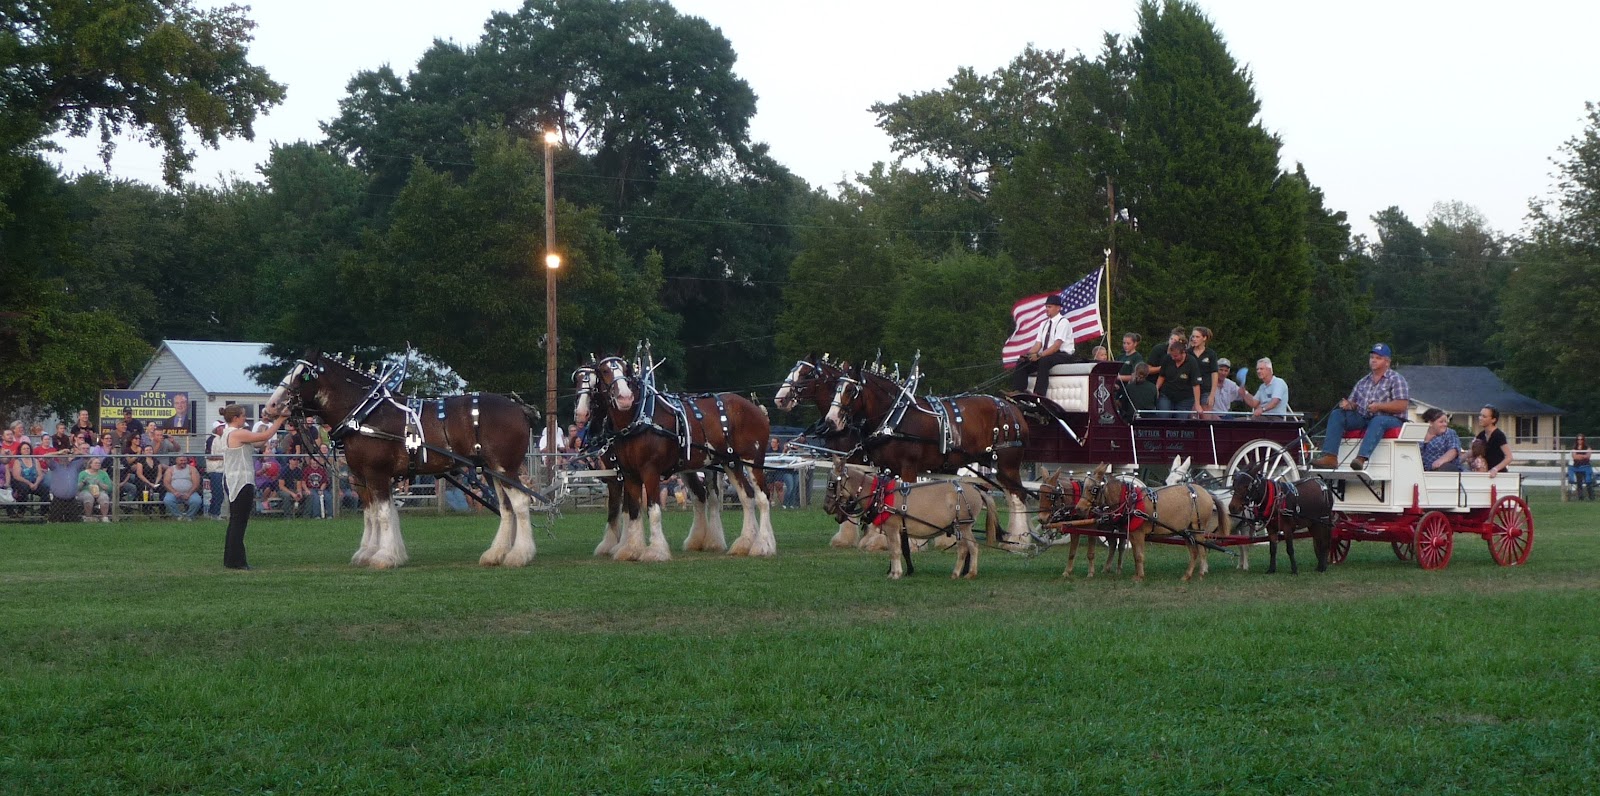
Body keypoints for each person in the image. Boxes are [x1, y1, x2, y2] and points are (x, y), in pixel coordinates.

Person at [1312, 343, 1410, 471]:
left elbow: (1402, 405)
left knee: (1378, 420)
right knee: (1337, 414)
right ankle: (1330, 457)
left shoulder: (1396, 379)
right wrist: (1348, 405)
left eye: (1378, 358)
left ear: (1387, 362)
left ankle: (1361, 458)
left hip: (1391, 419)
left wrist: (1379, 406)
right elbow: (1354, 403)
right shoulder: (1363, 382)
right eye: (1372, 357)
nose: (1373, 360)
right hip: (1364, 417)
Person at [219, 404, 288, 570]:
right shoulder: (237, 433)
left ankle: (230, 558)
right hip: (241, 481)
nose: (245, 418)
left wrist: (270, 423)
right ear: (235, 418)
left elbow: (260, 441)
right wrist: (280, 420)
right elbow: (266, 434)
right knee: (239, 522)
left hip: (235, 479)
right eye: (243, 416)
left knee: (236, 521)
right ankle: (237, 561)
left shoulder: (229, 433)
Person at [1010, 294, 1078, 394]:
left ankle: (1039, 393)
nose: (1047, 309)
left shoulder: (1063, 322)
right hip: (1048, 354)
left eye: (1049, 307)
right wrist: (1028, 355)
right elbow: (1038, 344)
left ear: (1058, 308)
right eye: (1046, 307)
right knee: (1022, 362)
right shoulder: (1044, 324)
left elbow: (1056, 346)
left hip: (1063, 355)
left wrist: (1039, 355)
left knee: (1044, 361)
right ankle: (1019, 391)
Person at [1154, 341, 1202, 418]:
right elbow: (1162, 376)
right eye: (1172, 355)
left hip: (1185, 398)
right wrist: (1156, 388)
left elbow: (1196, 384)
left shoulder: (1192, 362)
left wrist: (1197, 404)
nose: (1173, 358)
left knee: (1181, 420)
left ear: (1183, 353)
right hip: (1167, 394)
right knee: (1163, 415)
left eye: (1175, 356)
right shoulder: (1167, 359)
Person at [45, 443, 89, 522]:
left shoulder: (75, 465)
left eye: (66, 456)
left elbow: (88, 457)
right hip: (58, 500)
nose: (65, 457)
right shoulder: (55, 465)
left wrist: (78, 452)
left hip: (71, 500)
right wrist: (59, 452)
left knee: (74, 523)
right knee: (54, 522)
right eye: (63, 456)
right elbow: (45, 456)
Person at [1188, 327, 1220, 415]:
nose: (1194, 339)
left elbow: (1214, 374)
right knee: (1191, 416)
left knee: (1205, 416)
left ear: (1204, 338)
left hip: (1206, 389)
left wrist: (1212, 394)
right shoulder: (1187, 353)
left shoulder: (1211, 354)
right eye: (1193, 337)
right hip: (1189, 390)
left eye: (1197, 337)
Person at [1475, 405, 1512, 479]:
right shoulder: (1481, 435)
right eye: (1480, 415)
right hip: (1486, 475)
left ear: (1493, 420)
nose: (1480, 418)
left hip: (1499, 476)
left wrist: (1495, 469)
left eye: (1484, 416)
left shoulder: (1498, 435)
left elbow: (1509, 457)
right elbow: (1471, 452)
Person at [1419, 408, 1462, 472]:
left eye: (1445, 421)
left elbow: (1454, 450)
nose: (1445, 424)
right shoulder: (1420, 434)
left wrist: (1441, 461)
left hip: (1444, 469)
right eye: (1441, 422)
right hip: (1422, 470)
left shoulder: (1449, 433)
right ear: (1430, 423)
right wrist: (1425, 441)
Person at [162, 455, 203, 520]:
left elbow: (196, 483)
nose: (183, 462)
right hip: (173, 493)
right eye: (181, 460)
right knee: (167, 500)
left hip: (190, 493)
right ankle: (178, 516)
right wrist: (174, 492)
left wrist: (189, 493)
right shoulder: (170, 469)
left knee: (197, 500)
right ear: (176, 461)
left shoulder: (192, 469)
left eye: (185, 460)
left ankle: (189, 516)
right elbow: (166, 483)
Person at [77, 455, 114, 522]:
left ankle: (104, 517)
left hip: (100, 491)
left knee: (104, 497)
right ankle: (88, 517)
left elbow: (109, 488)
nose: (98, 464)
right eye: (96, 463)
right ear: (90, 464)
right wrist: (84, 482)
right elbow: (77, 487)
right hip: (86, 491)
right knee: (88, 497)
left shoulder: (103, 473)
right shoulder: (83, 473)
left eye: (99, 463)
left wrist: (100, 484)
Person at [204, 421, 227, 519]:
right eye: (222, 427)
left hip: (224, 469)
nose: (224, 429)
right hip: (215, 470)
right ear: (217, 428)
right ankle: (214, 513)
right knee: (218, 493)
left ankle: (214, 513)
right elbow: (208, 456)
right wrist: (224, 458)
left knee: (222, 492)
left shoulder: (224, 439)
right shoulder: (211, 439)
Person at [1569, 433, 1593, 500]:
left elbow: (1588, 456)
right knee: (1579, 483)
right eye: (1578, 439)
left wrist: (1579, 456)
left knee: (1588, 482)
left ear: (1584, 440)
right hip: (1577, 467)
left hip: (1586, 467)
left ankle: (1591, 497)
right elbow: (1574, 457)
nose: (1580, 440)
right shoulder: (1574, 448)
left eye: (1581, 439)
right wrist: (1583, 456)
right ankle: (1580, 497)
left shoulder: (1587, 447)